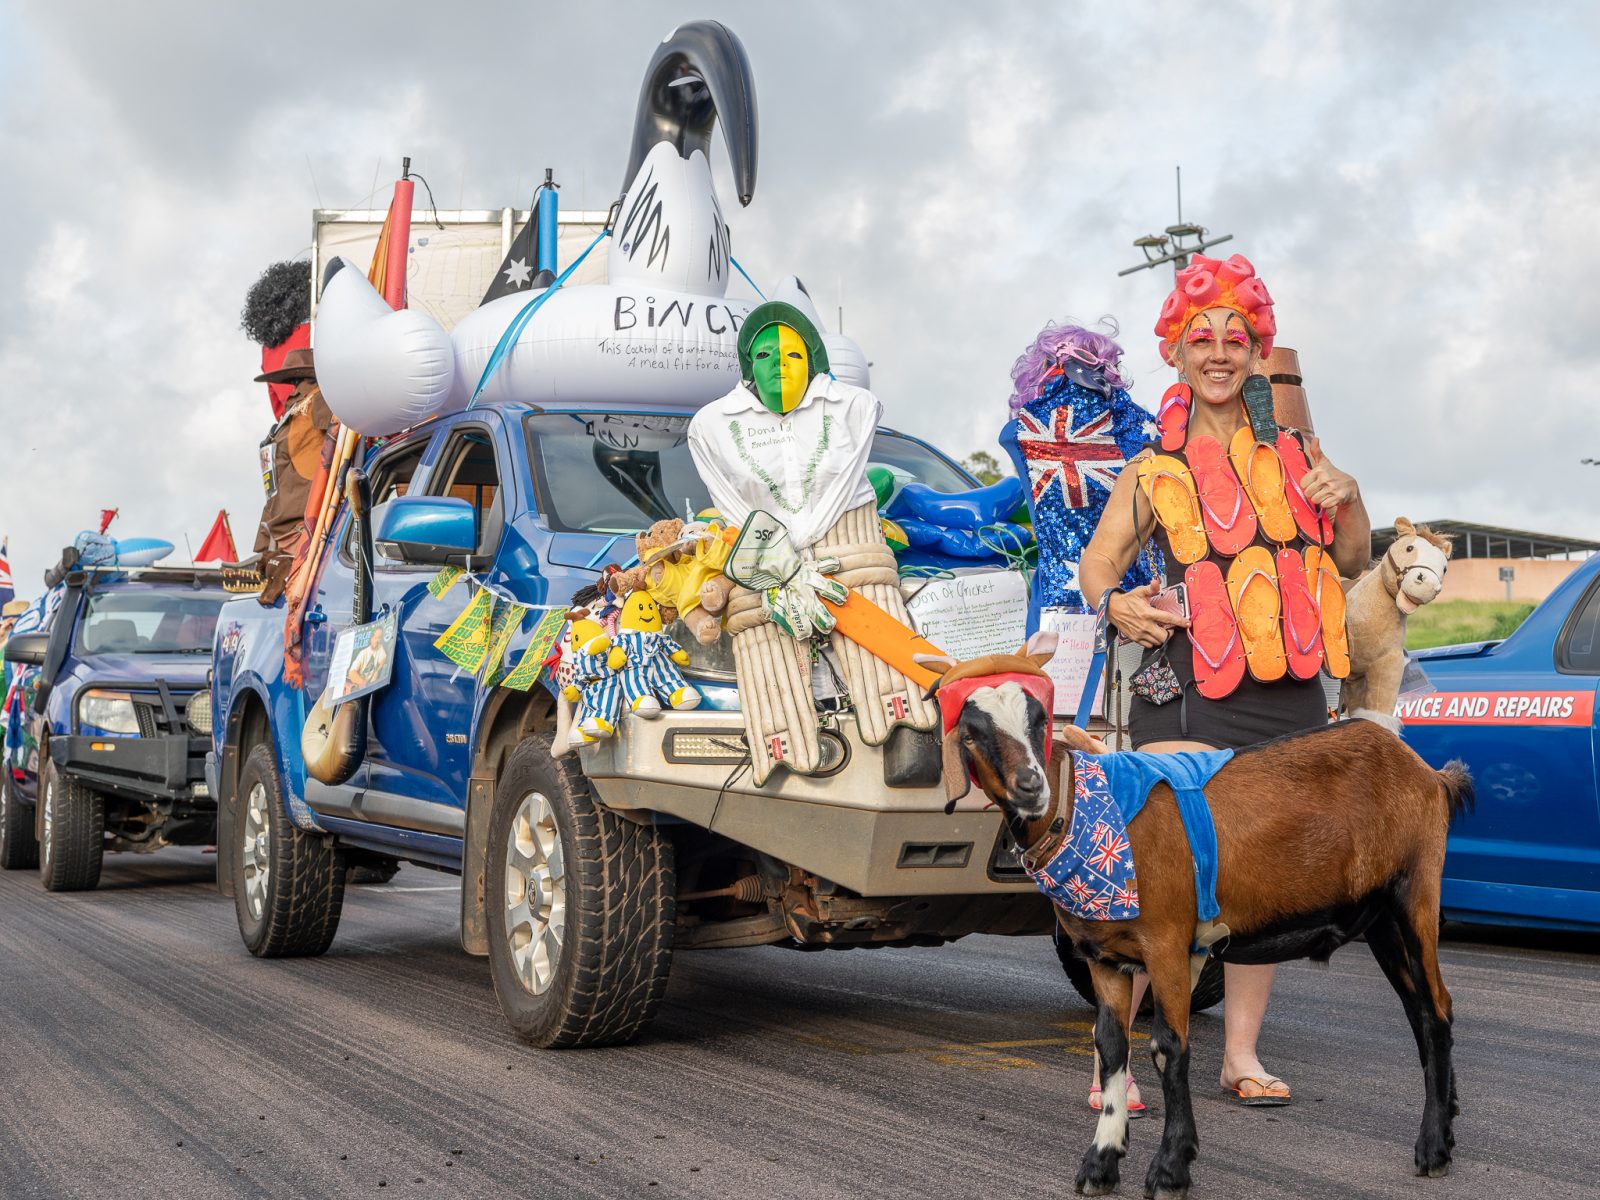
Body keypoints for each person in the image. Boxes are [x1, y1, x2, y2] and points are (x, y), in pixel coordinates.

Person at [1080, 253, 1370, 1109]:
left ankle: (1240, 1057)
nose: (1218, 352)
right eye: (1200, 338)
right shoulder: (1148, 470)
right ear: (1175, 351)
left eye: (1235, 339)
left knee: (1256, 877)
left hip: (1289, 694)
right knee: (1151, 873)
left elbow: (1352, 559)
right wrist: (1118, 607)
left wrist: (1349, 497)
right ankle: (1114, 1064)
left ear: (1254, 354)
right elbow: (1098, 566)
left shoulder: (1300, 456)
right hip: (1184, 687)